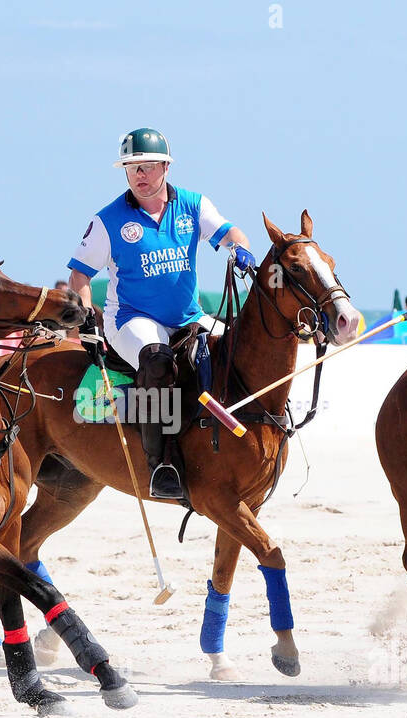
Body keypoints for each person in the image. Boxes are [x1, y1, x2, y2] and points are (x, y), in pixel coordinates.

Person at [66, 127, 257, 499]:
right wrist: (87, 321)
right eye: (132, 167)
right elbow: (79, 276)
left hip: (188, 315)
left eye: (147, 166)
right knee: (157, 362)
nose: (140, 174)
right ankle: (161, 464)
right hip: (131, 321)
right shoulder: (108, 220)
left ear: (166, 167)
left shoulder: (193, 205)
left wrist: (240, 250)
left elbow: (233, 235)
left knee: (235, 350)